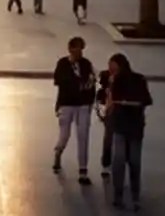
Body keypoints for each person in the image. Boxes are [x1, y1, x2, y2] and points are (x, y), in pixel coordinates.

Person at [106, 53, 153, 211]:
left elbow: (146, 100)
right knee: (119, 161)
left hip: (133, 126)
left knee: (133, 162)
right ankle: (120, 195)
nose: (111, 70)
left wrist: (132, 103)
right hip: (121, 125)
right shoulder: (116, 81)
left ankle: (134, 196)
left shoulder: (138, 79)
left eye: (113, 66)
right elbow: (112, 102)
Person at [52, 36, 96, 184]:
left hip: (83, 104)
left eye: (81, 48)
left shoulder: (86, 64)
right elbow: (59, 81)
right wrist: (77, 83)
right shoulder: (63, 64)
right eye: (76, 48)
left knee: (83, 135)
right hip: (67, 103)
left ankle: (83, 170)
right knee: (65, 134)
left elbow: (91, 82)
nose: (79, 52)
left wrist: (90, 100)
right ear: (70, 49)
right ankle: (58, 151)